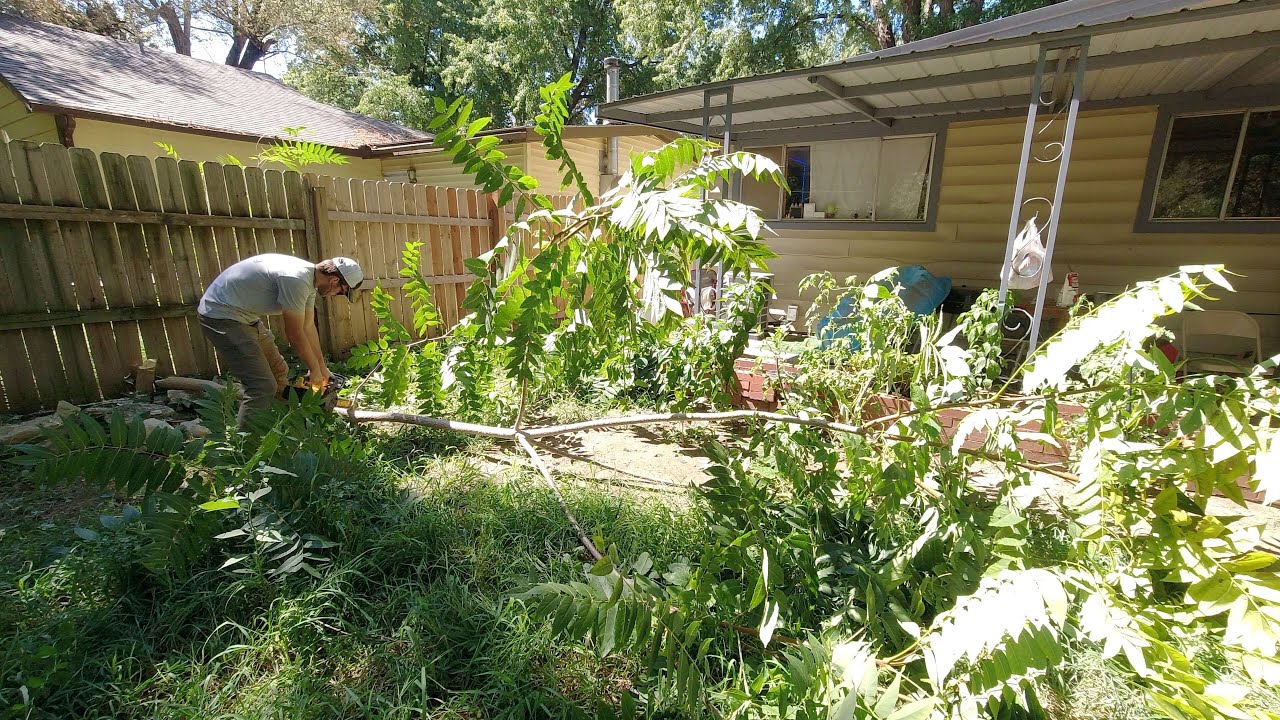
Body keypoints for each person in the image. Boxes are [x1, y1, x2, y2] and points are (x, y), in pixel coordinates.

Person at [197, 254, 364, 427]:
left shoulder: (310, 282)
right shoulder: (296, 279)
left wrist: (321, 369)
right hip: (220, 316)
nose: (336, 295)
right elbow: (294, 334)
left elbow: (308, 328)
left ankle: (277, 426)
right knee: (262, 386)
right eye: (341, 292)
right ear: (334, 281)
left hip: (246, 318)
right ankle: (245, 446)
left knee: (278, 371)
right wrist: (313, 370)